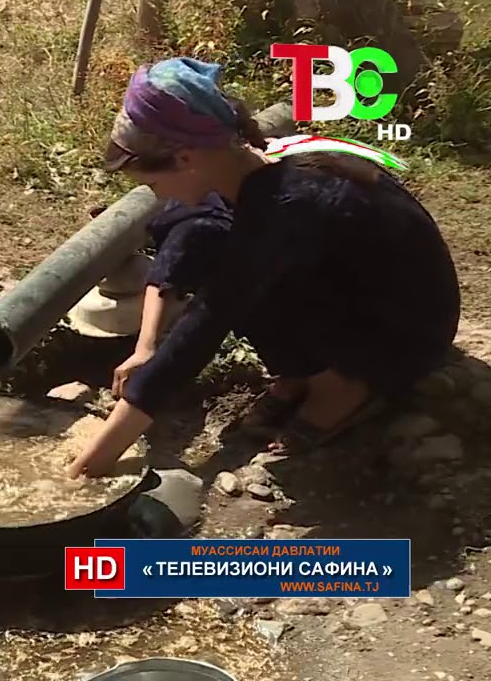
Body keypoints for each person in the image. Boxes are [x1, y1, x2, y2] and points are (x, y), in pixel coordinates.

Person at [66, 57, 461, 478]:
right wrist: (146, 346)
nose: (158, 195)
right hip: (366, 293)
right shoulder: (253, 164)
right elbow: (185, 237)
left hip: (409, 333)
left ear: (183, 158)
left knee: (246, 283)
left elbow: (203, 326)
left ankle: (341, 387)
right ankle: (301, 374)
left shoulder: (289, 207)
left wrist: (89, 466)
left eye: (153, 184)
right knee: (220, 251)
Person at [111, 193, 234, 396]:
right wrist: (145, 348)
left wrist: (145, 348)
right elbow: (168, 267)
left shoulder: (201, 216)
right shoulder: (186, 204)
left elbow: (176, 256)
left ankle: (290, 383)